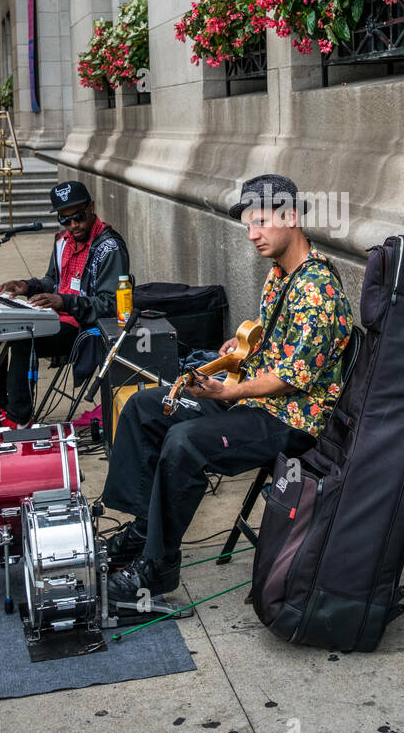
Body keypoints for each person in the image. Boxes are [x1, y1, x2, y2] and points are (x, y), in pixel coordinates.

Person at [101, 173, 353, 611]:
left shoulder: (318, 290)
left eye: (259, 222)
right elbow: (273, 348)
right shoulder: (281, 274)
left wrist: (224, 394)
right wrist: (240, 349)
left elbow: (289, 379)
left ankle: (157, 566)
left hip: (292, 420)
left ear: (290, 217)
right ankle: (144, 532)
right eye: (247, 225)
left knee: (185, 443)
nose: (252, 234)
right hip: (258, 401)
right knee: (145, 406)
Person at [0, 181, 129, 431]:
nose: (73, 225)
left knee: (22, 337)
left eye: (78, 217)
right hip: (54, 317)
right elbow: (52, 280)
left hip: (85, 327)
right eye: (65, 220)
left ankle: (19, 418)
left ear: (91, 207)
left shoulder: (109, 247)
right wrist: (27, 286)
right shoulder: (62, 241)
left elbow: (110, 304)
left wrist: (64, 301)